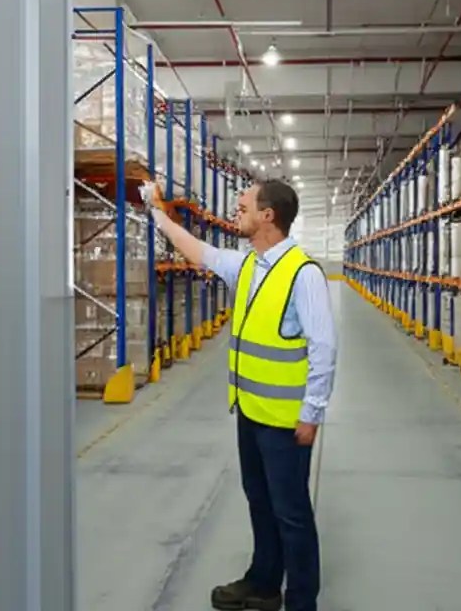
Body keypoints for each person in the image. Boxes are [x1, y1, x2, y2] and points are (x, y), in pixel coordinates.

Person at [143, 178, 337, 611]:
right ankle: (264, 583)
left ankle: (302, 601)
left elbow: (324, 347)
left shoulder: (302, 273)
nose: (237, 209)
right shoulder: (248, 265)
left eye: (244, 204)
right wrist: (157, 211)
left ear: (268, 215)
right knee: (260, 500)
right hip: (250, 410)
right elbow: (197, 249)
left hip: (286, 419)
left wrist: (312, 413)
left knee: (292, 514)